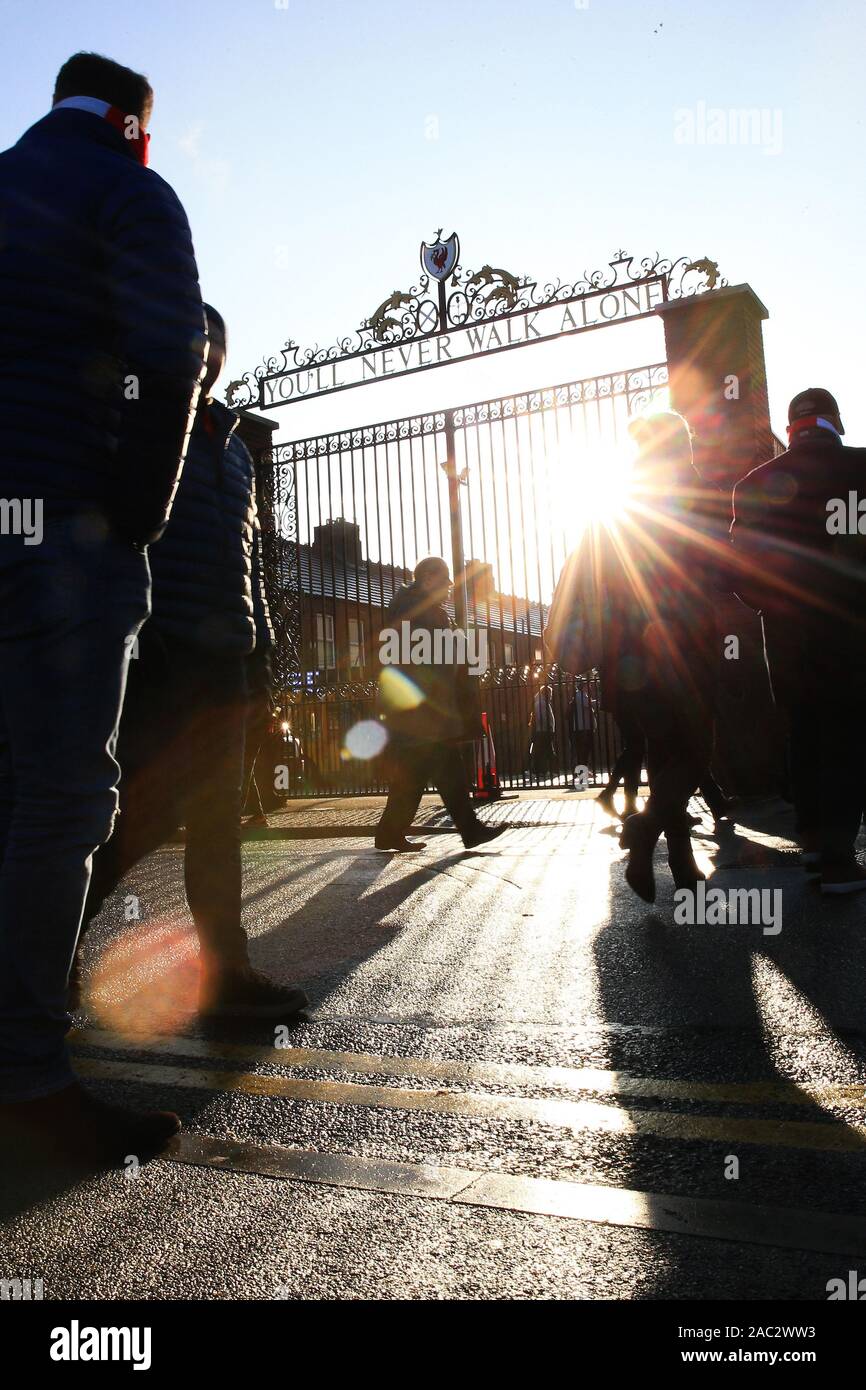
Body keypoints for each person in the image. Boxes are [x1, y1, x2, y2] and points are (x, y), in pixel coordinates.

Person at [0, 54, 204, 1165]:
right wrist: (138, 510)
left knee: (9, 793)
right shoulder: (130, 191)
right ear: (131, 123)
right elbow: (167, 355)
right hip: (66, 530)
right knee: (64, 798)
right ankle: (28, 1073)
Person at [73, 306, 308, 1018]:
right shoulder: (134, 419)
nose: (207, 354)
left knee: (218, 822)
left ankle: (226, 978)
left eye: (217, 344)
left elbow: (250, 561)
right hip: (162, 651)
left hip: (226, 661)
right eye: (195, 340)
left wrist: (263, 652)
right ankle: (51, 948)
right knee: (137, 818)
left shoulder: (235, 447)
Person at [548, 412, 719, 901]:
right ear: (681, 443)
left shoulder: (618, 499)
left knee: (664, 754)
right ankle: (644, 830)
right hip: (678, 647)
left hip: (624, 660)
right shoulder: (693, 492)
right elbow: (708, 567)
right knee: (696, 751)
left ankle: (684, 868)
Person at [731, 388, 866, 894]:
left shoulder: (754, 485)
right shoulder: (859, 472)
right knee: (848, 737)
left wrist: (776, 606)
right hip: (851, 632)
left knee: (806, 734)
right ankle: (836, 859)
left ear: (790, 430)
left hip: (788, 642)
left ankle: (814, 843)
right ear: (836, 421)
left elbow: (741, 570)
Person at [374, 557, 506, 852]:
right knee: (442, 770)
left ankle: (389, 833)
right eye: (445, 580)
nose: (449, 586)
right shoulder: (420, 613)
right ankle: (469, 830)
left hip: (419, 710)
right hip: (424, 710)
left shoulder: (414, 610)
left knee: (418, 775)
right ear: (429, 579)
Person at [528, 682, 557, 782]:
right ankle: (542, 771)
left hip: (544, 730)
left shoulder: (542, 702)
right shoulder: (541, 703)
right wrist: (548, 726)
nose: (551, 696)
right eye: (550, 694)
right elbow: (542, 717)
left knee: (544, 751)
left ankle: (541, 770)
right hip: (544, 730)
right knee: (545, 751)